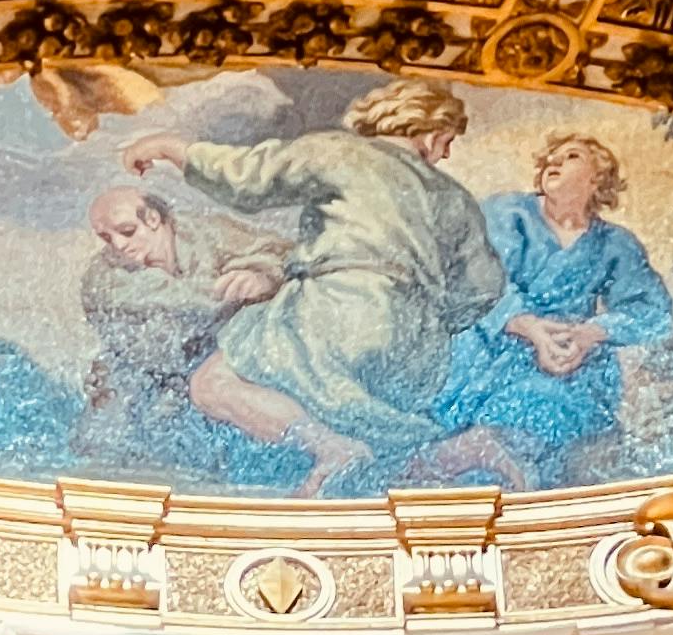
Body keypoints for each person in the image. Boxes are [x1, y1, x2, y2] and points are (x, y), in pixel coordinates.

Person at [121, 77, 503, 493]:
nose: (444, 152)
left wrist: (172, 148)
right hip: (417, 344)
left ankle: (333, 450)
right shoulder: (455, 198)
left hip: (338, 307)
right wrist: (420, 314)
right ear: (428, 130)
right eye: (446, 141)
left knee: (213, 384)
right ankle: (462, 449)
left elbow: (249, 178)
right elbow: (482, 287)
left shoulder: (342, 152)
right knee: (371, 427)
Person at [434, 133, 673, 484]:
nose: (553, 163)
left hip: (572, 359)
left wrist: (591, 333)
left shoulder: (615, 244)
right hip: (495, 348)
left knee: (566, 430)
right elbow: (474, 278)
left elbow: (654, 311)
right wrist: (528, 326)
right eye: (550, 158)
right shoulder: (506, 213)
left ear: (597, 180)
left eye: (571, 156)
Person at [72, 180, 282, 469]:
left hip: (215, 358)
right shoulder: (105, 278)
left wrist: (264, 275)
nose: (118, 245)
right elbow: (196, 302)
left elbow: (281, 251)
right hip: (138, 376)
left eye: (126, 231)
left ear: (154, 219)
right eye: (107, 238)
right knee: (111, 452)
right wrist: (247, 283)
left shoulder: (204, 232)